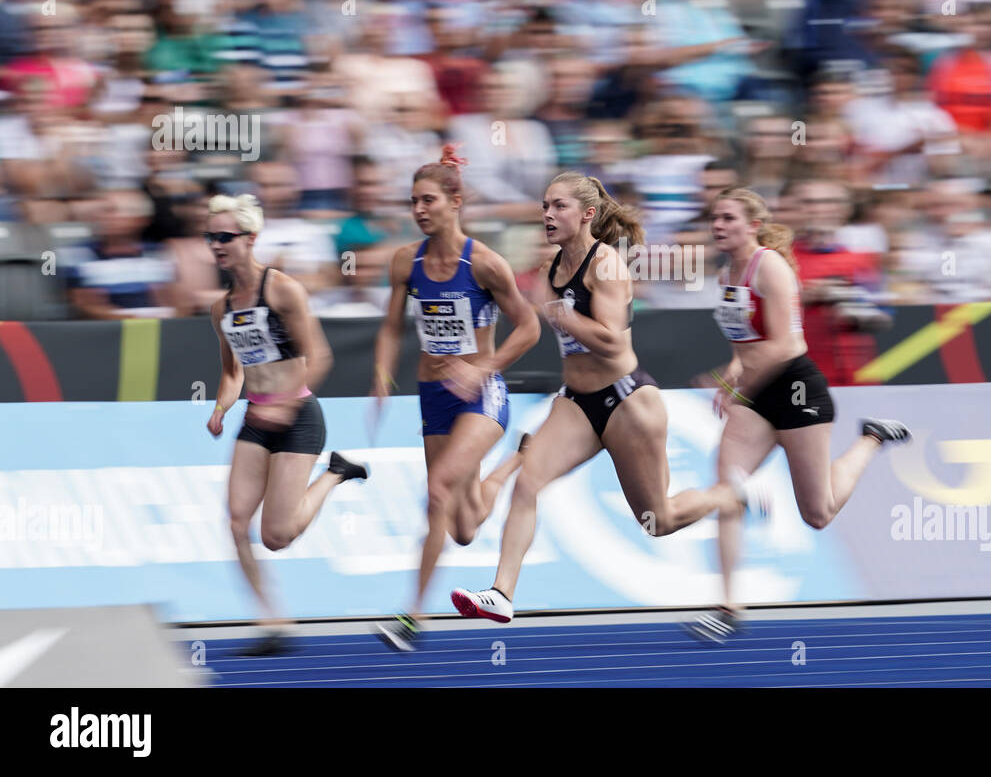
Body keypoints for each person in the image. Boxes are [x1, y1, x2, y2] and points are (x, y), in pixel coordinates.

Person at [449, 173, 745, 623]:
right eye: (545, 205)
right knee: (528, 483)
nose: (547, 214)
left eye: (559, 206)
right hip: (576, 402)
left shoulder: (605, 264)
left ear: (587, 214)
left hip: (627, 402)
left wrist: (560, 315)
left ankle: (728, 496)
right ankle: (502, 593)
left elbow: (611, 341)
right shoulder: (551, 267)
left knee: (658, 521)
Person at [685, 187, 911, 644]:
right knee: (727, 489)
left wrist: (735, 385)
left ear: (752, 225)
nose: (718, 224)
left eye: (728, 217)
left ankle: (870, 438)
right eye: (715, 217)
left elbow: (789, 345)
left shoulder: (769, 266)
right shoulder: (726, 271)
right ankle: (727, 604)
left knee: (819, 512)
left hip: (795, 389)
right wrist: (733, 373)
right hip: (755, 397)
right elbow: (744, 340)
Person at [370, 145, 541, 651]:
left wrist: (481, 368)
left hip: (482, 397)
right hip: (433, 397)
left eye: (428, 200)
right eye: (413, 202)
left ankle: (412, 616)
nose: (419, 210)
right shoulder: (407, 261)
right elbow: (389, 327)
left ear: (455, 201)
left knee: (438, 491)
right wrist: (382, 373)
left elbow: (529, 328)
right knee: (463, 526)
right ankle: (516, 463)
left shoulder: (485, 264)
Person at [205, 193, 368, 656]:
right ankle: (271, 620)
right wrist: (220, 408)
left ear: (250, 239)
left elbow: (320, 355)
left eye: (224, 237)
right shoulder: (221, 309)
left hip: (298, 416)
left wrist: (283, 405)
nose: (216, 245)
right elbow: (233, 371)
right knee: (236, 523)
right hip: (256, 419)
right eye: (210, 238)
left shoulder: (281, 289)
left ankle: (335, 472)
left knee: (276, 537)